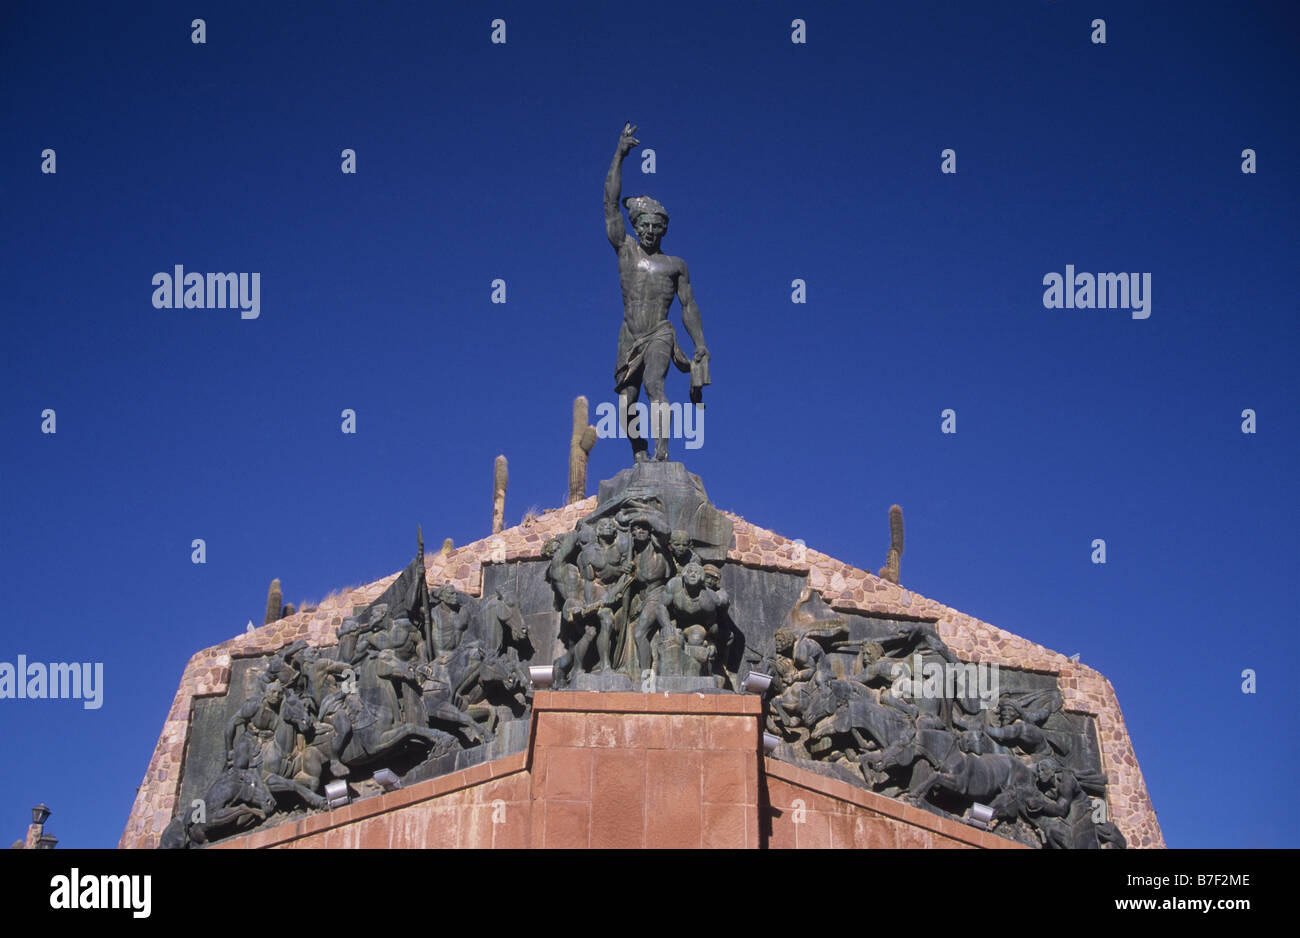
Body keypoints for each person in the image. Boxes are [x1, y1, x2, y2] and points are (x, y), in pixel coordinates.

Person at [604, 122, 709, 462]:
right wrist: (619, 156)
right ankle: (640, 452)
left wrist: (700, 345)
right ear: (636, 227)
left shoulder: (675, 265)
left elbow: (688, 306)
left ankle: (663, 454)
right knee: (624, 405)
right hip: (628, 336)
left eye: (656, 227)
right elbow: (610, 203)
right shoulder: (626, 251)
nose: (649, 231)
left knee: (655, 387)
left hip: (660, 333)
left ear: (663, 230)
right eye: (644, 225)